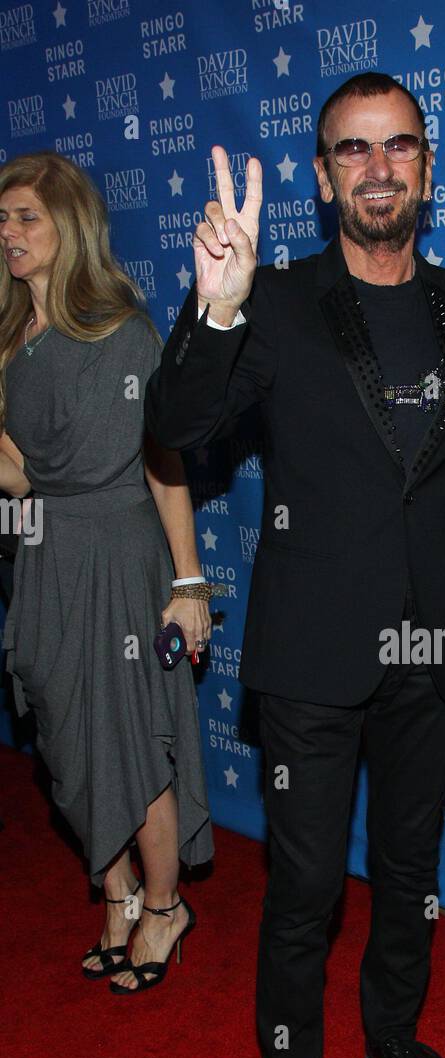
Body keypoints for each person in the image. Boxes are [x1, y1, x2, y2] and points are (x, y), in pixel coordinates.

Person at [144, 74, 445, 1058]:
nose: (377, 168)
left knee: (408, 873)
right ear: (326, 175)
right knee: (302, 894)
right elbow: (176, 431)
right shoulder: (274, 299)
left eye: (398, 147)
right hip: (312, 659)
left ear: (427, 167)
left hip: (436, 655)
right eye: (351, 151)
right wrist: (217, 308)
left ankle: (393, 1037)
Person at [0, 152, 214, 994]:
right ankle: (118, 890)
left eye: (26, 218)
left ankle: (164, 904)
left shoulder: (121, 330)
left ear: (70, 226)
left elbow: (165, 460)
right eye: (2, 221)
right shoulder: (15, 337)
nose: (10, 235)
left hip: (123, 551)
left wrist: (188, 583)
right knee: (63, 732)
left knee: (128, 732)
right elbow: (22, 475)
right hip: (48, 553)